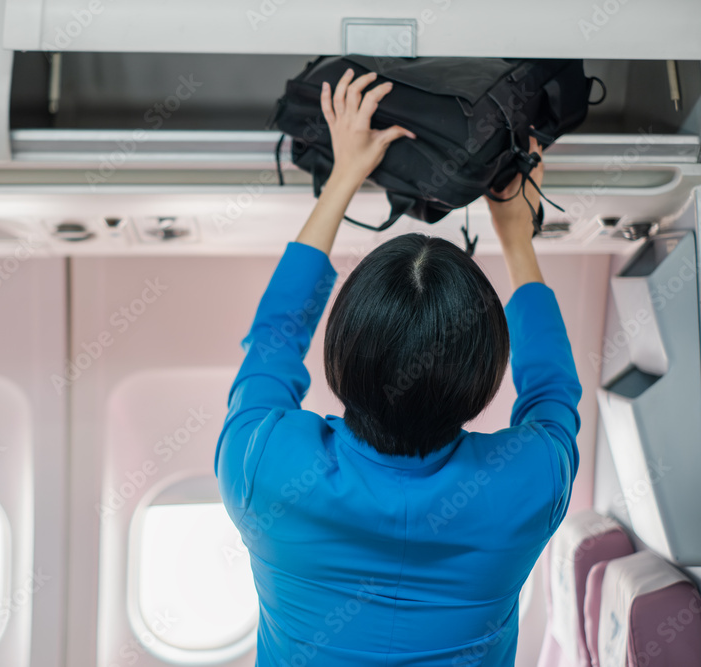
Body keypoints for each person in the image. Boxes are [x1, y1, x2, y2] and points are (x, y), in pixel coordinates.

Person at [214, 68, 581, 666]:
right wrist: (517, 235)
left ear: (342, 354)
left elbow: (271, 346)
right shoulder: (528, 483)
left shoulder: (263, 467)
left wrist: (343, 177)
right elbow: (552, 395)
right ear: (482, 378)